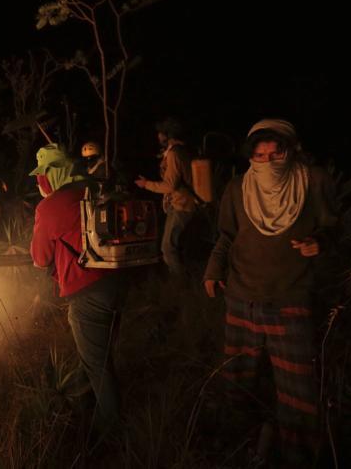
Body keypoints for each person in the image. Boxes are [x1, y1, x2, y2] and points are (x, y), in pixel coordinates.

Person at [203, 119, 337, 466]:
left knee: (299, 391)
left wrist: (319, 242)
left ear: (291, 150)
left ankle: (300, 456)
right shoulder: (237, 188)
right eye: (260, 155)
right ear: (252, 157)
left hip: (290, 299)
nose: (268, 160)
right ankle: (240, 446)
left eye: (276, 152)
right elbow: (227, 235)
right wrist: (213, 270)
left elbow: (333, 227)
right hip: (240, 297)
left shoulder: (314, 181)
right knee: (237, 379)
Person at [29, 143, 122, 433]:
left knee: (97, 365)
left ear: (51, 175)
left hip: (87, 292)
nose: (38, 182)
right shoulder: (95, 189)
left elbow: (40, 258)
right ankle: (78, 400)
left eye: (41, 175)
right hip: (119, 280)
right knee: (100, 354)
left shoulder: (50, 206)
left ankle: (110, 431)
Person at [134, 117, 197, 275]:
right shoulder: (178, 151)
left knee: (167, 248)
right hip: (179, 203)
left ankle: (180, 284)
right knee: (177, 245)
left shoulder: (175, 154)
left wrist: (146, 184)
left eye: (160, 133)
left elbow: (170, 185)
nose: (158, 137)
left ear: (167, 135)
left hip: (182, 205)